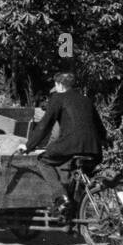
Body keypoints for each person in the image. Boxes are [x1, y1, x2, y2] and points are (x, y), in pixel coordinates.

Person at [26, 71, 107, 215]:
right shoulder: (85, 99)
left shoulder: (58, 98)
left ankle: (61, 198)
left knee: (43, 161)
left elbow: (45, 125)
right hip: (94, 149)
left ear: (58, 85)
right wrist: (105, 140)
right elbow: (99, 126)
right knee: (79, 181)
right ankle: (74, 213)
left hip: (71, 145)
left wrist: (28, 146)